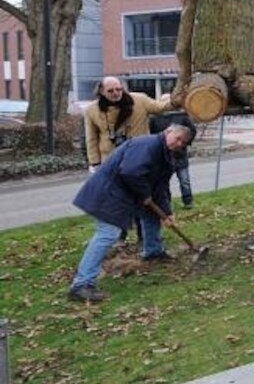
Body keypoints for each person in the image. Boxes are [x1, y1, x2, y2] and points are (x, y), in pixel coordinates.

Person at [66, 123, 195, 303]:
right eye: (178, 138)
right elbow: (130, 172)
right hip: (108, 193)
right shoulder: (147, 144)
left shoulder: (165, 155)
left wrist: (167, 212)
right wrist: (145, 194)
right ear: (168, 131)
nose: (178, 143)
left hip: (125, 193)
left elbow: (160, 187)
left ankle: (153, 252)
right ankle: (81, 285)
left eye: (183, 142)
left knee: (152, 215)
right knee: (107, 234)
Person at [83, 76, 171, 173]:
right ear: (101, 91)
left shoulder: (140, 100)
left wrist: (178, 99)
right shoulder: (91, 110)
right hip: (110, 158)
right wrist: (95, 162)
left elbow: (161, 107)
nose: (115, 93)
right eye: (110, 91)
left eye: (118, 89)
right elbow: (92, 138)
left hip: (138, 154)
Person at [150, 112, 197, 209]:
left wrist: (184, 143)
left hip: (180, 156)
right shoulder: (155, 118)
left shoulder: (181, 116)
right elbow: (152, 134)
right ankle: (167, 203)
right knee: (164, 182)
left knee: (184, 180)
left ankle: (188, 201)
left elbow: (192, 131)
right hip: (164, 156)